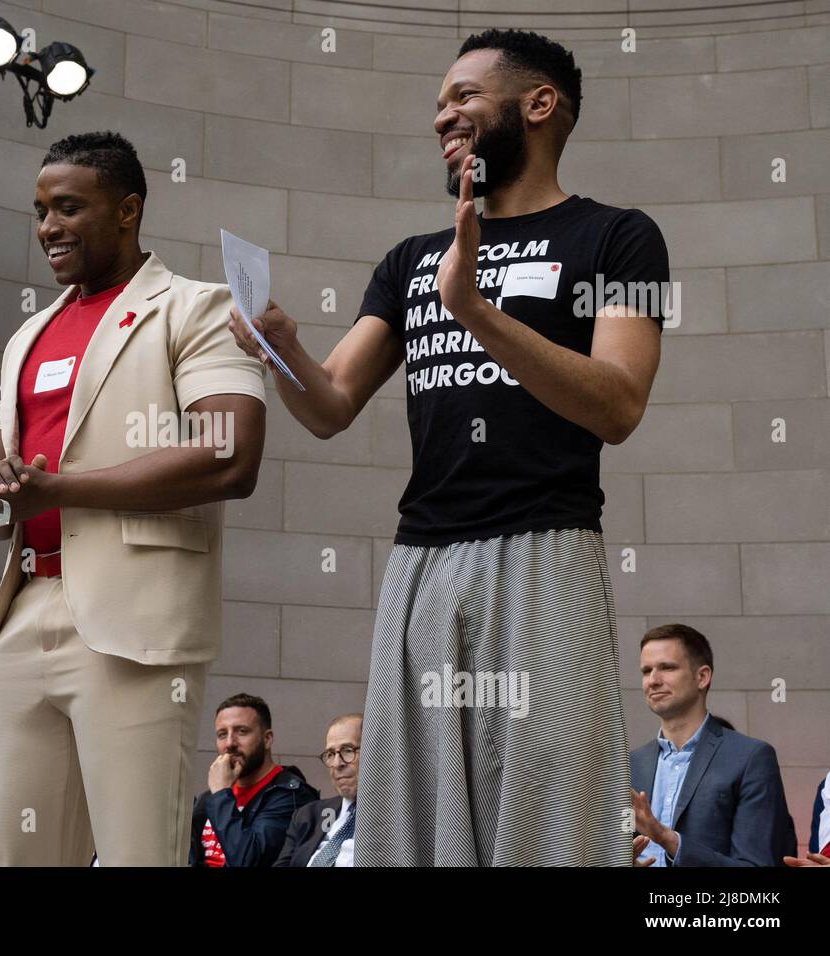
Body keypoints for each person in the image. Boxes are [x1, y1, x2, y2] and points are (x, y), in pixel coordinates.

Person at [228, 28, 668, 866]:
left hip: (545, 551)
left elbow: (619, 403)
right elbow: (329, 406)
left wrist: (475, 311)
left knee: (548, 818)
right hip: (421, 564)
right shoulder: (411, 261)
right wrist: (282, 348)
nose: (442, 117)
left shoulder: (621, 237)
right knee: (416, 817)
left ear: (539, 104)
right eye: (438, 104)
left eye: (463, 96)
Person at [0, 131, 267, 866]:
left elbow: (230, 455)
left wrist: (58, 490)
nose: (48, 227)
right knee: (18, 856)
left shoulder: (195, 307)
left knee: (137, 854)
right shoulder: (28, 336)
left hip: (134, 622)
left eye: (68, 208)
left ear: (127, 211)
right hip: (24, 613)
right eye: (39, 212)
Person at [631, 624, 796, 867]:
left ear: (702, 677)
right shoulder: (631, 764)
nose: (653, 680)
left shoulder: (750, 758)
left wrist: (669, 840)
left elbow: (755, 865)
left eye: (667, 668)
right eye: (646, 671)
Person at [190, 694, 319, 867]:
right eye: (222, 734)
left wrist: (220, 794)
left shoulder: (292, 795)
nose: (230, 743)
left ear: (267, 739)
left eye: (242, 731)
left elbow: (248, 861)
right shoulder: (210, 798)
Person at [276, 713, 362, 867]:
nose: (337, 763)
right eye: (330, 754)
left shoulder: (398, 819)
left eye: (348, 750)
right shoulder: (309, 815)